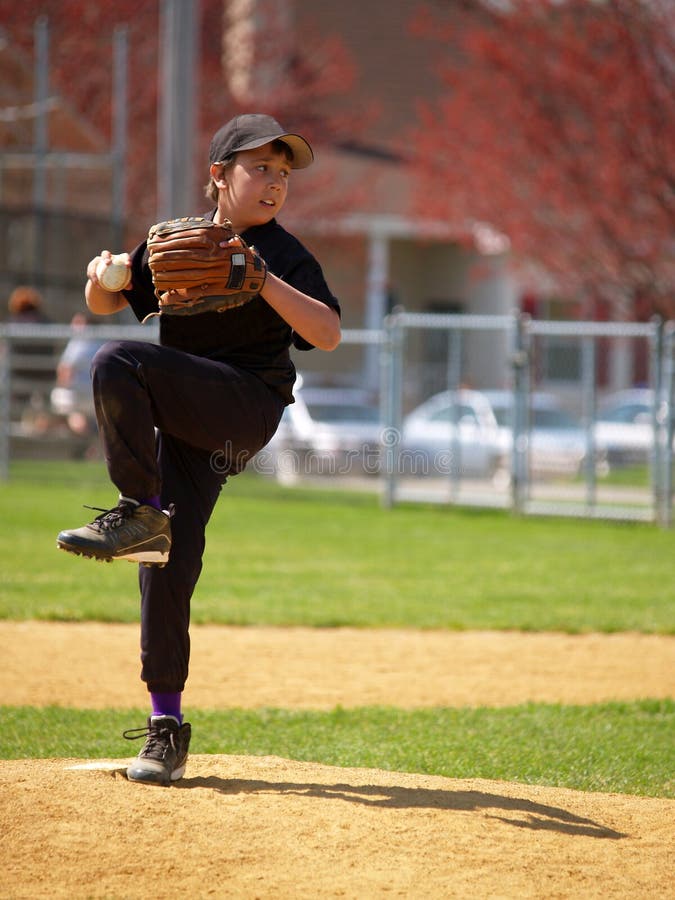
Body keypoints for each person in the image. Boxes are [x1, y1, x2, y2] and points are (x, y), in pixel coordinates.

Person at [56, 113, 341, 786]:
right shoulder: (178, 241)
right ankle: (166, 726)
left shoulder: (285, 253)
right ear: (218, 176)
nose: (274, 183)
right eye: (259, 168)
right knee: (165, 562)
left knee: (120, 362)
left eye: (282, 172)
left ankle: (133, 507)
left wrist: (260, 276)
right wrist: (104, 275)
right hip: (187, 422)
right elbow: (107, 297)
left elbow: (326, 334)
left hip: (246, 408)